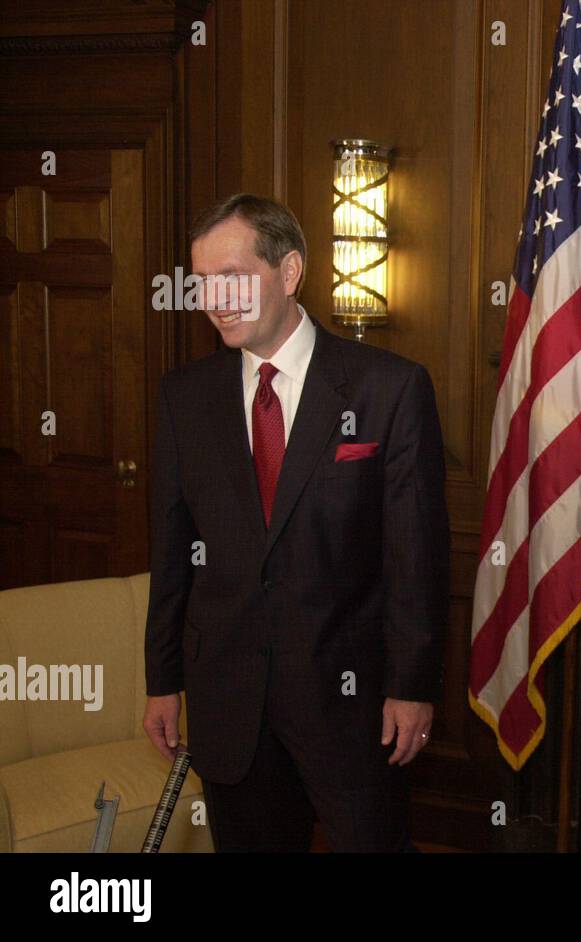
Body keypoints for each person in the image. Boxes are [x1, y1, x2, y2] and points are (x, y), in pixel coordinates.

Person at [142, 194, 450, 852]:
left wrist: (412, 686)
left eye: (231, 277)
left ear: (288, 274)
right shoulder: (184, 398)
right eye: (200, 283)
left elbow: (414, 558)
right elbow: (172, 556)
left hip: (354, 707)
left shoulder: (388, 388)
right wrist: (162, 681)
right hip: (229, 703)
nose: (213, 299)